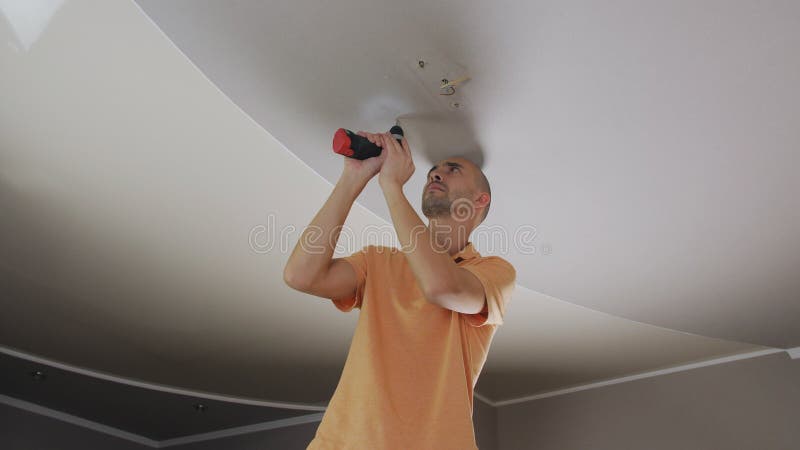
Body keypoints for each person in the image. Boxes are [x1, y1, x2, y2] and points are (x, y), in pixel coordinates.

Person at [284, 130, 516, 449]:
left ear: (480, 200)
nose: (435, 172)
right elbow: (301, 276)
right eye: (435, 170)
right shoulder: (378, 261)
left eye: (453, 169)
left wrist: (392, 187)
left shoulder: (493, 272)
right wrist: (353, 180)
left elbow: (441, 286)